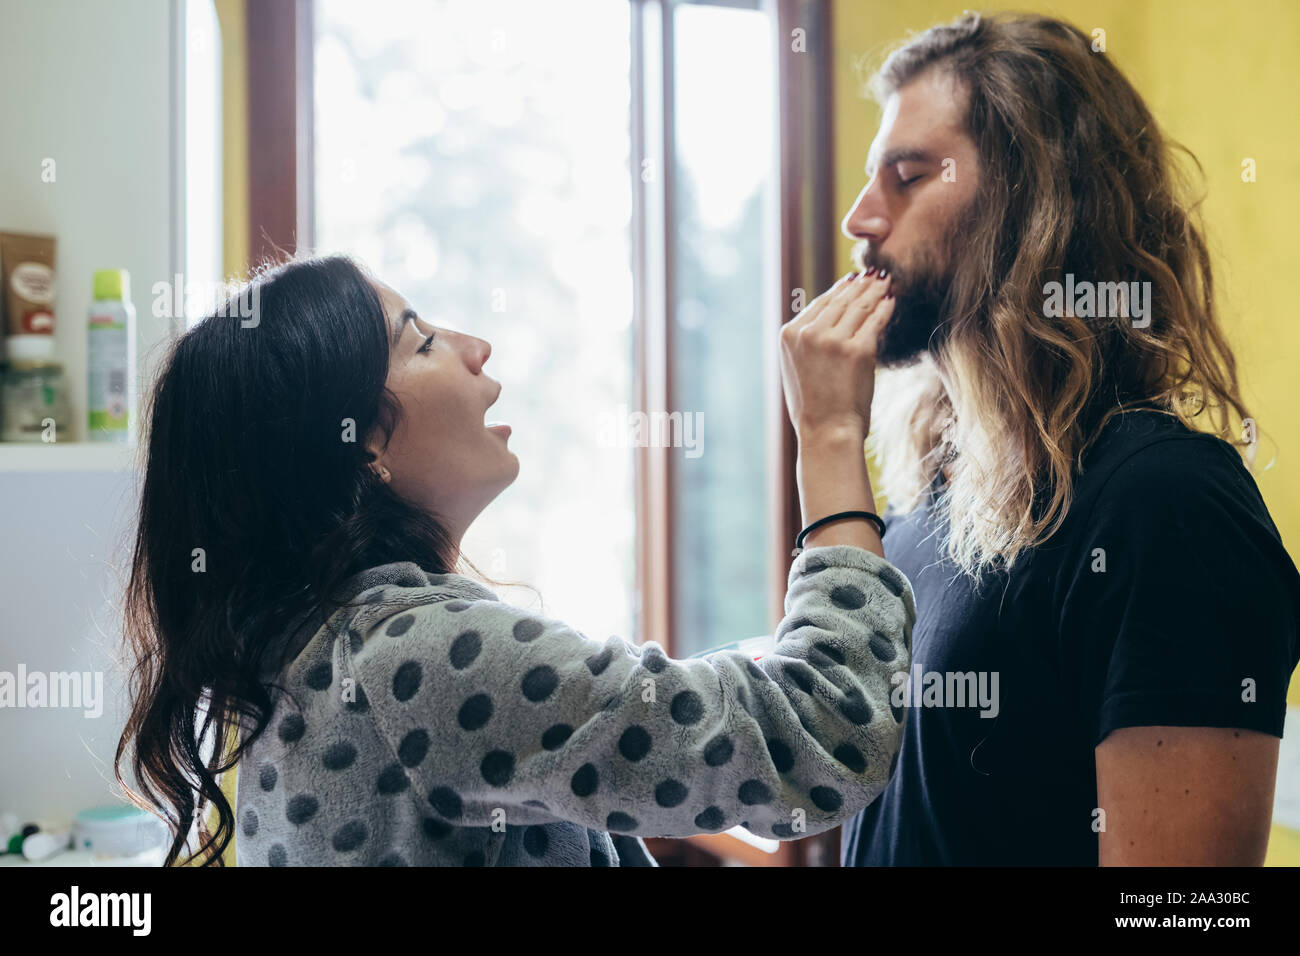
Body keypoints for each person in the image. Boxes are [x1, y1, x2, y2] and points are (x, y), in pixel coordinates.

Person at [115, 254, 913, 866]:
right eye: (422, 342)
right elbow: (824, 738)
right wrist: (832, 435)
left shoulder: (308, 649)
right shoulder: (415, 661)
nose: (474, 348)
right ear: (364, 448)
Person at [835, 11, 1300, 866]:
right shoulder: (932, 498)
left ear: (1029, 202)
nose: (861, 219)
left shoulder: (1168, 506)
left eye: (907, 176)